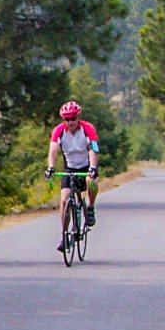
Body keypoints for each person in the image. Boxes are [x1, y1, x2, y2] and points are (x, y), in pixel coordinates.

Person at [44, 100, 99, 252]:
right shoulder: (59, 130)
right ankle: (64, 235)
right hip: (69, 168)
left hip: (86, 166)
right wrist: (51, 167)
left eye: (73, 118)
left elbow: (93, 150)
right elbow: (53, 150)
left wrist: (93, 168)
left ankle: (91, 208)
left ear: (78, 117)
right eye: (67, 119)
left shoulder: (88, 129)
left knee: (91, 181)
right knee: (64, 199)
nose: (70, 122)